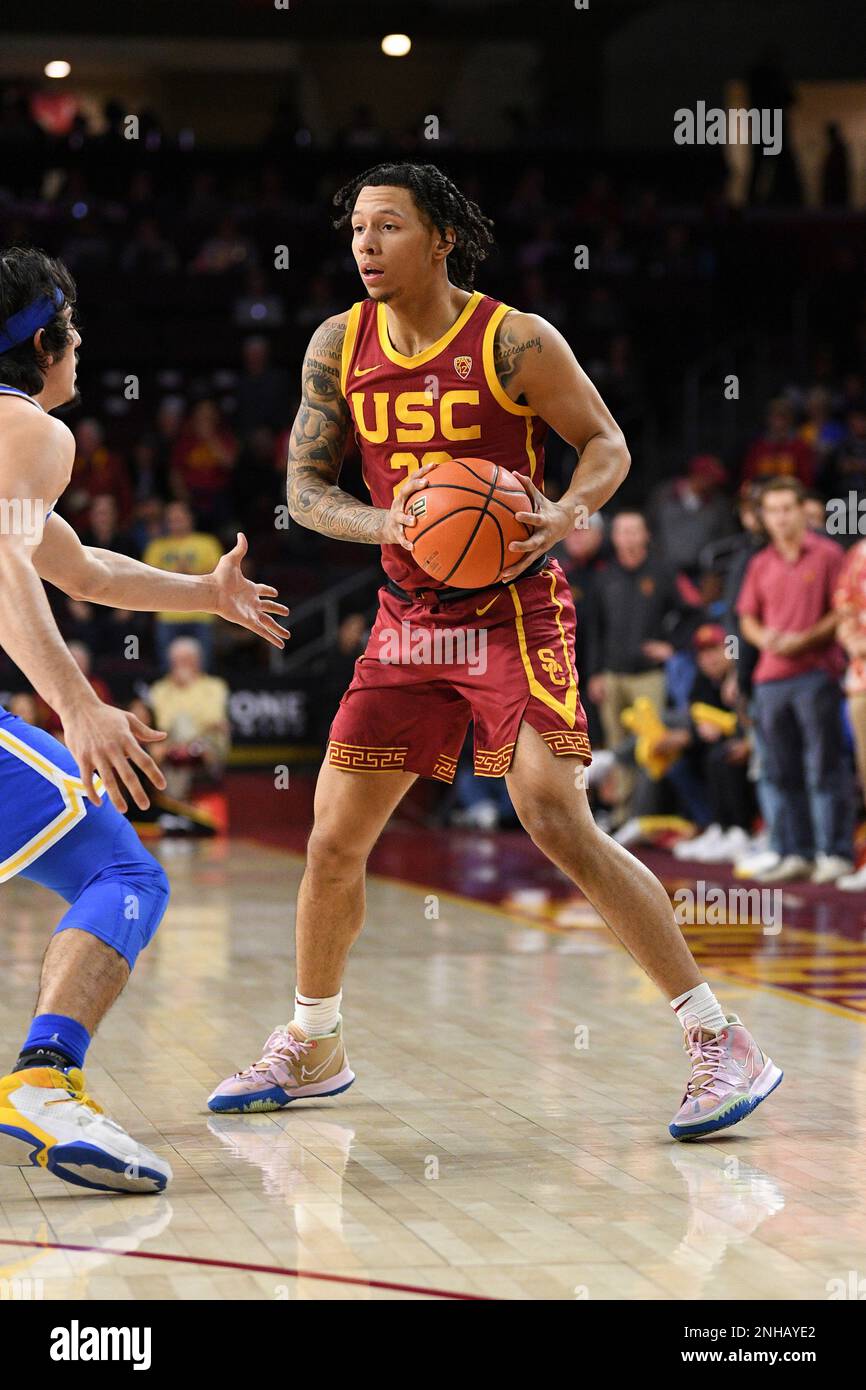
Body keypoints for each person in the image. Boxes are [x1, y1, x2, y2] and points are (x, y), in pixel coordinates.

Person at [209, 161, 782, 1141]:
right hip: (404, 615)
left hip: (511, 607)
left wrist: (564, 509)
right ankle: (315, 1041)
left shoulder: (513, 338)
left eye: (386, 227)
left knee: (554, 815)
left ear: (439, 238)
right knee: (333, 837)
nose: (363, 245)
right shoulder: (334, 345)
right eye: (354, 228)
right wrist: (398, 518)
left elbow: (604, 442)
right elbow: (304, 491)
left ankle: (716, 1035)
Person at [0, 246, 290, 1194]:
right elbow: (1, 564)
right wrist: (77, 705)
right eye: (74, 331)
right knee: (124, 872)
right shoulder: (29, 431)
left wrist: (208, 593)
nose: (81, 347)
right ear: (44, 341)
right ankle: (44, 1085)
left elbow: (79, 569)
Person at [736, 477, 853, 884]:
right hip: (769, 679)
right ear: (763, 517)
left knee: (825, 767)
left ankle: (835, 852)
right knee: (781, 770)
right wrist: (760, 636)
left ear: (804, 511)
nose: (781, 518)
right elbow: (747, 617)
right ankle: (795, 852)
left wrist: (805, 638)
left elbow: (843, 610)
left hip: (815, 674)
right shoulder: (759, 563)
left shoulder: (828, 554)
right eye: (773, 510)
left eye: (788, 508)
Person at [585, 510, 689, 825]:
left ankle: (645, 816)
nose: (629, 538)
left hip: (649, 675)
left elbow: (692, 613)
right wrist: (595, 673)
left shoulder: (664, 572)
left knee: (650, 745)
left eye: (635, 531)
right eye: (622, 531)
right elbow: (593, 631)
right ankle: (621, 815)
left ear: (646, 535)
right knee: (617, 749)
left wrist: (672, 646)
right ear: (613, 537)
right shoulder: (604, 577)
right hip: (613, 674)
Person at [143, 500, 223, 669]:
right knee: (167, 669)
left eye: (180, 518)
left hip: (202, 614)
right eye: (172, 519)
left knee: (203, 668)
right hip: (168, 616)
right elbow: (147, 580)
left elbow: (218, 579)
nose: (176, 522)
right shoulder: (156, 546)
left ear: (190, 518)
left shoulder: (207, 543)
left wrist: (186, 575)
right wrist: (179, 576)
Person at [149, 637, 230, 799]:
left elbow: (213, 719)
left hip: (206, 745)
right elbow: (161, 723)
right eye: (176, 660)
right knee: (171, 744)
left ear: (198, 661)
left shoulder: (215, 686)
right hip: (170, 745)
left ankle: (175, 804)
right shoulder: (159, 689)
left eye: (186, 660)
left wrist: (187, 688)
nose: (181, 664)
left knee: (184, 725)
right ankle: (177, 803)